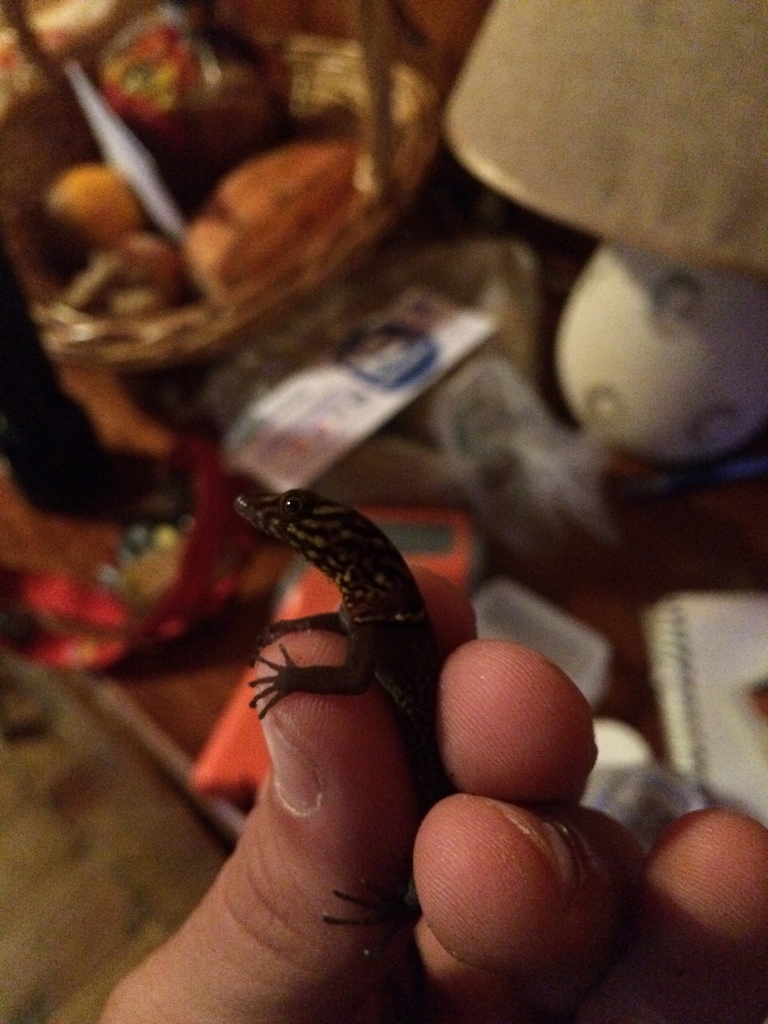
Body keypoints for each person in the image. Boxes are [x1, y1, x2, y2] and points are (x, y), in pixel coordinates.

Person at [100, 569, 768, 1023]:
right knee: (475, 867)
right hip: (437, 819)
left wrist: (298, 670)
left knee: (464, 866)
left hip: (436, 818)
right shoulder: (373, 609)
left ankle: (402, 914)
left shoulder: (379, 617)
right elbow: (356, 652)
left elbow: (355, 667)